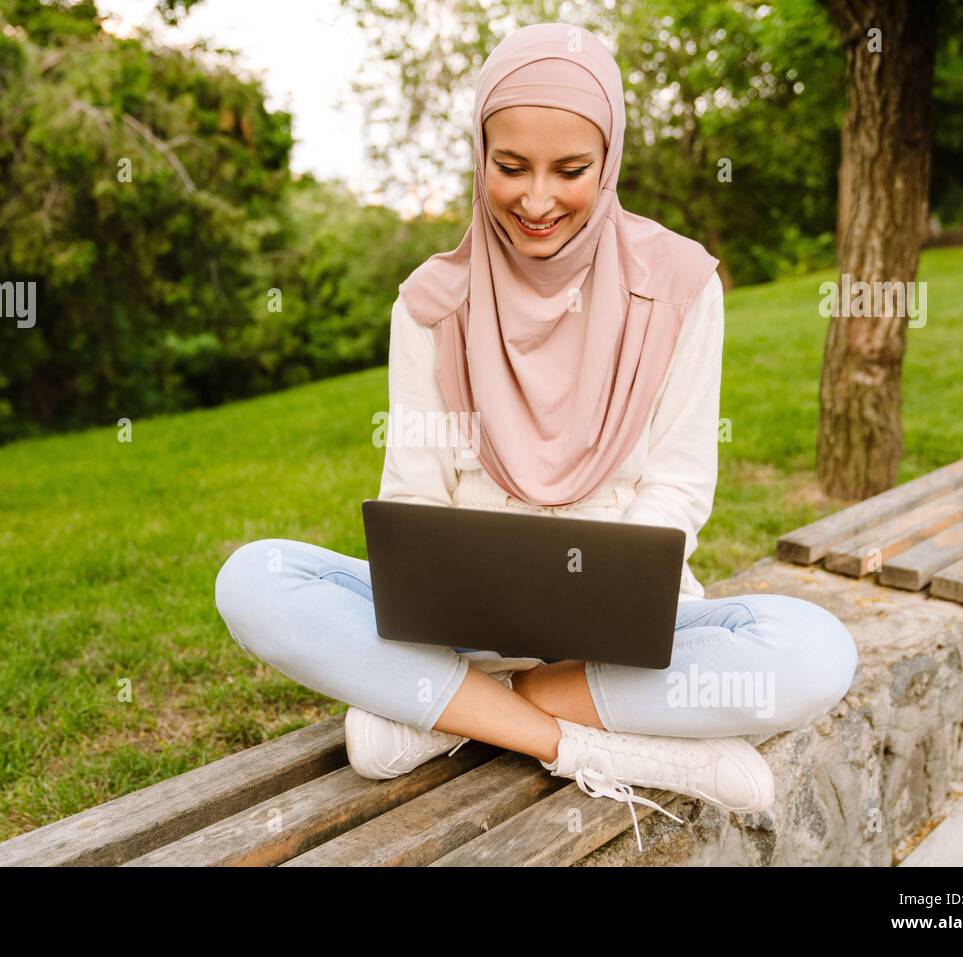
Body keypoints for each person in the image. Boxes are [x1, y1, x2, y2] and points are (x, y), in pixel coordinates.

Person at [215, 22, 858, 852]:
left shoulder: (682, 284)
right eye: (510, 167)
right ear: (480, 156)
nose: (537, 199)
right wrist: (463, 602)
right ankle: (580, 744)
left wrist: (590, 597)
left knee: (814, 652)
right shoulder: (430, 302)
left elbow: (678, 486)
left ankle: (457, 706)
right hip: (460, 623)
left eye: (571, 170)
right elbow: (414, 494)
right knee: (254, 578)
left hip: (621, 639)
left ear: (612, 158)